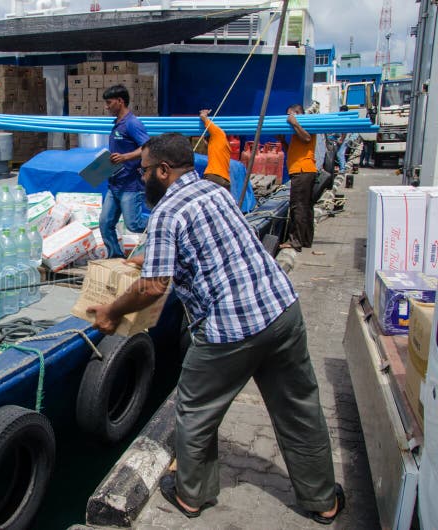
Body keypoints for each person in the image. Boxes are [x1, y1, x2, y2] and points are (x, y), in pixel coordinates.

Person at [86, 132, 345, 525]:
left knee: (195, 410)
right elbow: (211, 246)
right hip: (281, 310)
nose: (142, 180)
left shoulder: (167, 211)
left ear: (164, 170)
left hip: (231, 330)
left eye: (144, 172)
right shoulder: (216, 190)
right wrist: (150, 261)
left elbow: (156, 287)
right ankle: (323, 501)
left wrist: (111, 312)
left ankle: (192, 497)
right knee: (299, 409)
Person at [99, 84, 150, 258]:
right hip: (114, 184)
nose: (106, 107)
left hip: (130, 185)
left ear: (120, 101)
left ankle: (163, 225)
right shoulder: (117, 124)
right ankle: (115, 257)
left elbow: (148, 148)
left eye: (109, 102)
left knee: (134, 224)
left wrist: (125, 157)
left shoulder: (132, 124)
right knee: (105, 223)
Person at [277, 104, 317, 252]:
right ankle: (305, 239)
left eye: (289, 115)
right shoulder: (296, 132)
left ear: (297, 113)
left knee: (298, 207)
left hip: (303, 171)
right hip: (301, 170)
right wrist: (282, 141)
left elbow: (307, 138)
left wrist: (295, 123)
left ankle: (296, 241)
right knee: (305, 207)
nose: (287, 118)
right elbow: (293, 151)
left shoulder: (305, 126)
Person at [198, 109, 231, 191]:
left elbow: (203, 117)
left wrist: (204, 114)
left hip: (214, 176)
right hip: (225, 179)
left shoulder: (219, 134)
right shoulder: (223, 145)